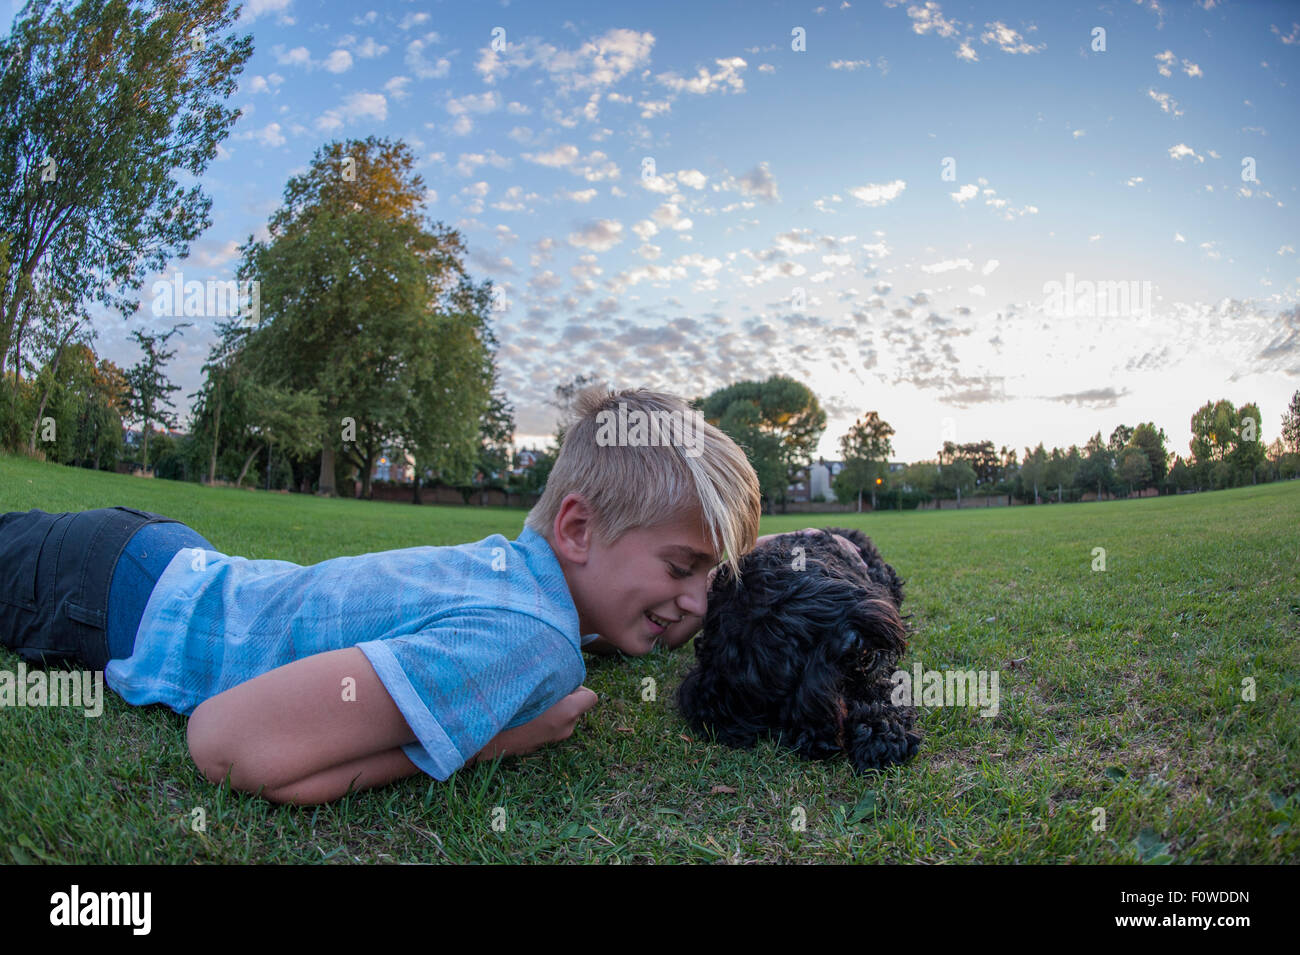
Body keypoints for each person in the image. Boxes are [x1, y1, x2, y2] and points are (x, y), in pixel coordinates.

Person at [0, 386, 762, 804]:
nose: (697, 603)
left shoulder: (519, 576)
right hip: (106, 600)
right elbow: (224, 745)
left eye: (711, 579)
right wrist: (499, 736)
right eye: (681, 566)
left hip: (154, 559)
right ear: (577, 528)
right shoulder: (537, 642)